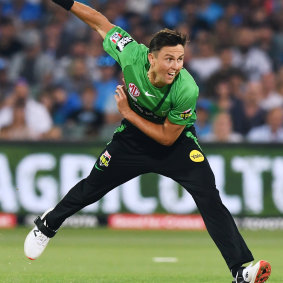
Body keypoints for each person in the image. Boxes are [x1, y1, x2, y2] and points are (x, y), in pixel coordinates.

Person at [24, 1, 271, 283]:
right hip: (132, 141)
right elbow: (98, 21)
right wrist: (66, 3)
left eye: (180, 59)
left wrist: (128, 112)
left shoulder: (187, 89)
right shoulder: (131, 53)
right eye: (169, 59)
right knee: (92, 187)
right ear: (151, 58)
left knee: (209, 197)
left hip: (176, 143)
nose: (176, 66)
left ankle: (240, 270)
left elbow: (167, 137)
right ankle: (47, 225)